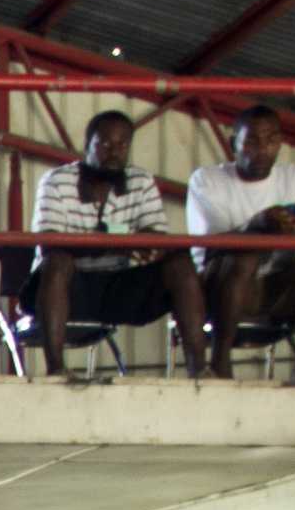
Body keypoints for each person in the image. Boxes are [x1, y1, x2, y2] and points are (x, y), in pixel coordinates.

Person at [27, 110, 209, 382]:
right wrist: (116, 243)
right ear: (86, 146)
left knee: (180, 263)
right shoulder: (57, 181)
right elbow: (49, 243)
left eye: (123, 144)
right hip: (71, 286)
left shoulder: (140, 181)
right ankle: (56, 370)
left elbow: (156, 237)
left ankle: (199, 370)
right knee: (57, 262)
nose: (114, 152)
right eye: (105, 144)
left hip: (119, 285)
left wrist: (144, 243)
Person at [183, 104, 295, 386]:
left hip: (278, 287)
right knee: (244, 256)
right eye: (251, 141)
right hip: (219, 285)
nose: (262, 149)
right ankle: (220, 363)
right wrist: (256, 225)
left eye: (271, 140)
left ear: (280, 143)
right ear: (234, 143)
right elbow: (210, 246)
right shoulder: (208, 179)